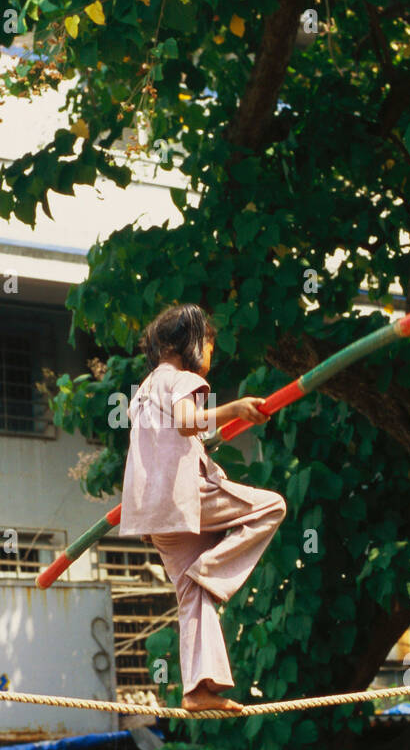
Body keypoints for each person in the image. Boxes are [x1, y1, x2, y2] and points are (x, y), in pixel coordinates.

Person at [119, 304, 287, 712]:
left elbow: (171, 437)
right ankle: (208, 571)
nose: (211, 355)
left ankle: (197, 690)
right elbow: (186, 421)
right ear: (192, 343)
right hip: (185, 496)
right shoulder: (182, 379)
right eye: (209, 345)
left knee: (194, 599)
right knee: (271, 507)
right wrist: (234, 408)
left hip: (153, 514)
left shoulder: (142, 391)